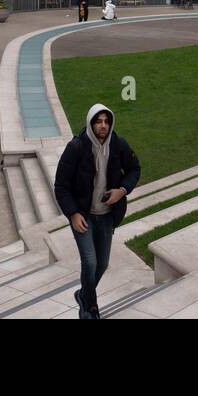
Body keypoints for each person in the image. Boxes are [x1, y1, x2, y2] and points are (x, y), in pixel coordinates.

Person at [53, 104, 140, 320]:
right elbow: (61, 185)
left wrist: (122, 190)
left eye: (106, 121)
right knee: (90, 262)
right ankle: (90, 309)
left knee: (102, 264)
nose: (103, 125)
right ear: (91, 123)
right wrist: (73, 213)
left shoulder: (118, 145)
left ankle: (83, 295)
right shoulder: (76, 147)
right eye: (98, 121)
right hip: (83, 216)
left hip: (107, 216)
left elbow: (134, 169)